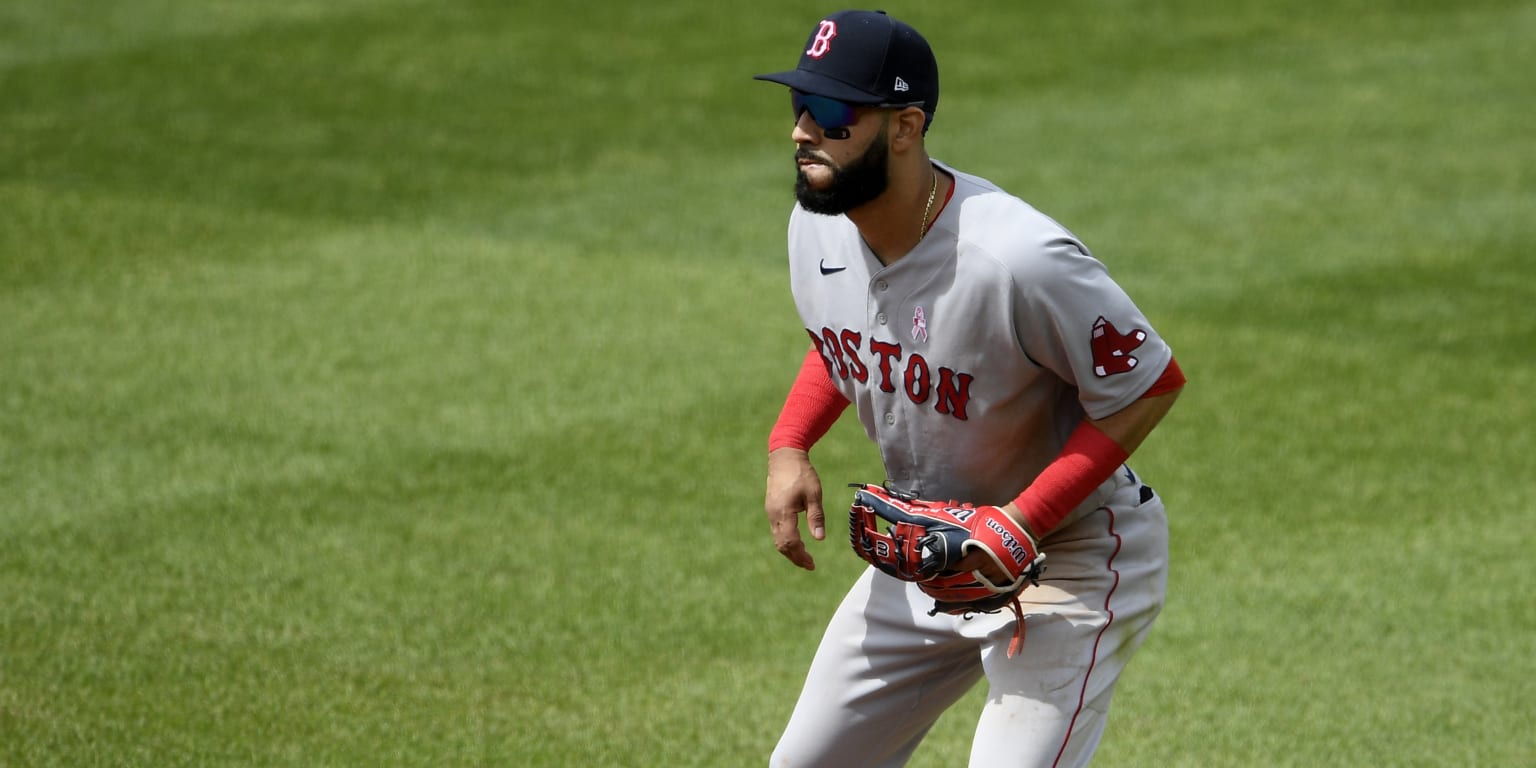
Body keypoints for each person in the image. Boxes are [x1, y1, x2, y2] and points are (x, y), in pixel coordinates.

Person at [753, 10, 1187, 767]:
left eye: (830, 113)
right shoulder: (816, 227)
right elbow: (846, 337)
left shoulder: (1019, 258)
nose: (802, 132)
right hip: (928, 550)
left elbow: (1149, 384)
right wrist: (790, 443)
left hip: (1068, 559)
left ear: (906, 126)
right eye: (798, 108)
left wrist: (1023, 520)